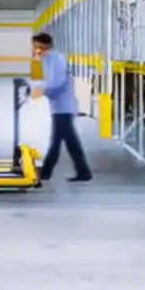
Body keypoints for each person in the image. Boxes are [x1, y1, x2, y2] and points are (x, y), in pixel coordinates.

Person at [30, 32, 92, 182]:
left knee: (59, 141)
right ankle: (82, 172)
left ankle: (46, 172)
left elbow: (57, 82)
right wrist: (36, 87)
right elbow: (41, 79)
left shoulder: (56, 58)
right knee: (67, 142)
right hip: (58, 107)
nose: (34, 49)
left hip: (63, 106)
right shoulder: (45, 59)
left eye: (36, 46)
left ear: (44, 45)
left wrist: (43, 90)